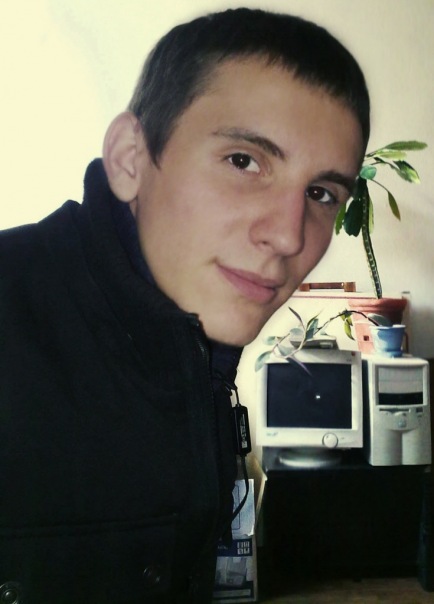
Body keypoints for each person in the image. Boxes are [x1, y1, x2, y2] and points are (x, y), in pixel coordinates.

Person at [0, 7, 370, 604]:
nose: (289, 236)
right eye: (244, 161)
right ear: (130, 159)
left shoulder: (191, 347)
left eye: (321, 193)